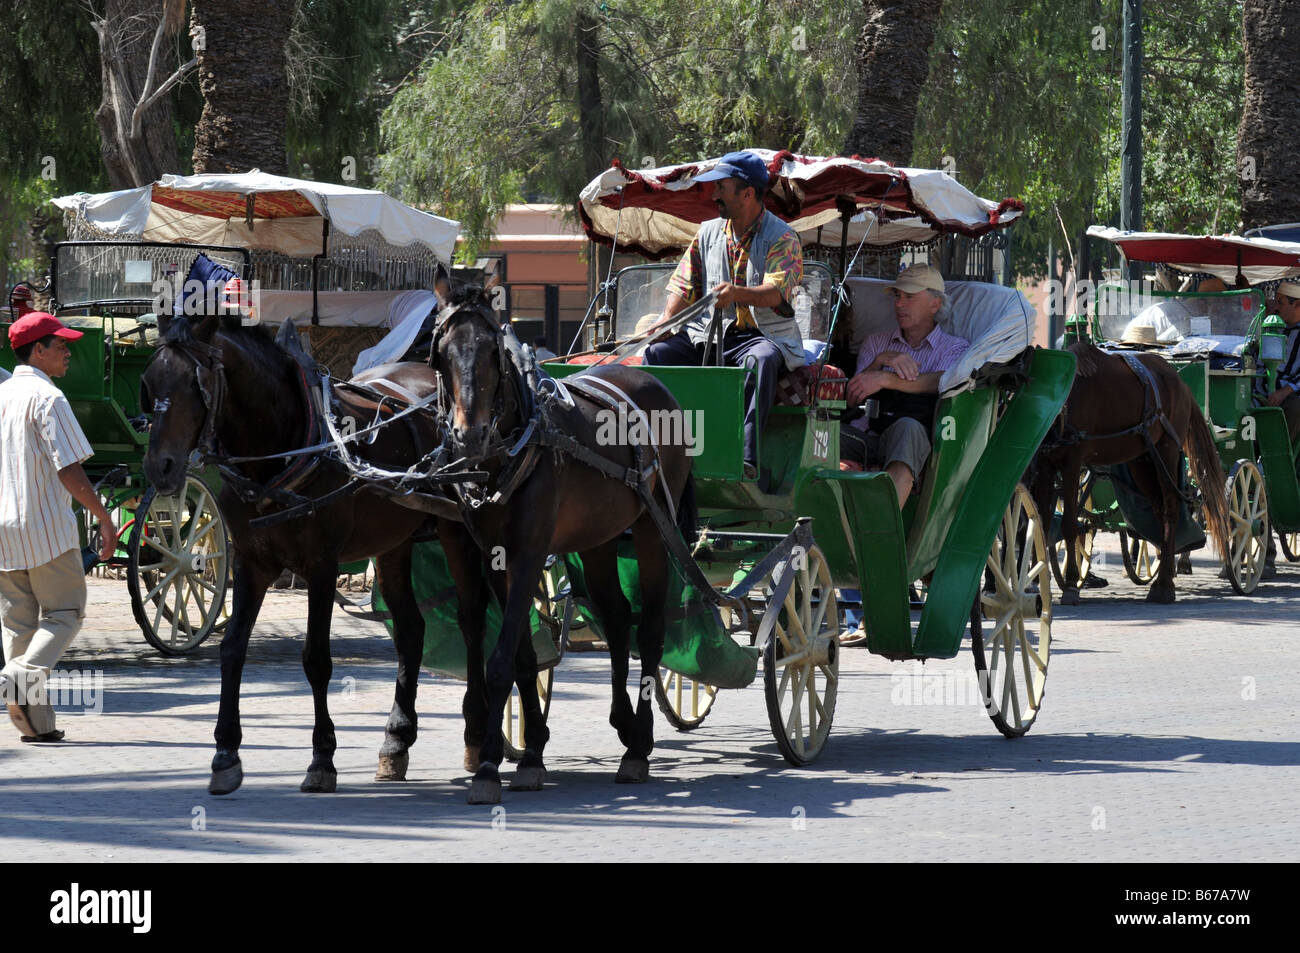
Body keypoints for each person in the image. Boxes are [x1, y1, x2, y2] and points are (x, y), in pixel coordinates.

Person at [645, 150, 804, 483]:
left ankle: (746, 459)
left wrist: (737, 294)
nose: (714, 195)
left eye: (722, 187)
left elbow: (777, 292)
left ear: (747, 193)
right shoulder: (706, 233)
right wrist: (665, 322)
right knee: (658, 355)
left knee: (760, 361)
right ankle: (664, 450)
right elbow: (683, 285)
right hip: (709, 336)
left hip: (761, 337)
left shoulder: (784, 238)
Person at [0, 312, 117, 742]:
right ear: (38, 351)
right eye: (60, 345)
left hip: (3, 534)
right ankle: (16, 676)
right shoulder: (49, 399)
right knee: (66, 614)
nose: (68, 351)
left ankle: (38, 725)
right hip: (46, 528)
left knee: (19, 627)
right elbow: (68, 469)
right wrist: (104, 517)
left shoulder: (1, 395)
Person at [841, 264, 969, 506]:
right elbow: (852, 398)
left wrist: (886, 379)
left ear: (935, 304)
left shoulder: (955, 348)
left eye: (909, 297)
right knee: (818, 434)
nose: (899, 304)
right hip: (864, 436)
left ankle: (881, 530)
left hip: (909, 441)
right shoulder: (876, 344)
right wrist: (881, 361)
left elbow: (942, 381)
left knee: (908, 428)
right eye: (897, 296)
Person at [1262, 280, 1300, 446]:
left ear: (1297, 304)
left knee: (1295, 408)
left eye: (1280, 302)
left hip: (1287, 395)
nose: (1275, 307)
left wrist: (1284, 392)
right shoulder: (1274, 327)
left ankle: (1278, 457)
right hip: (1260, 391)